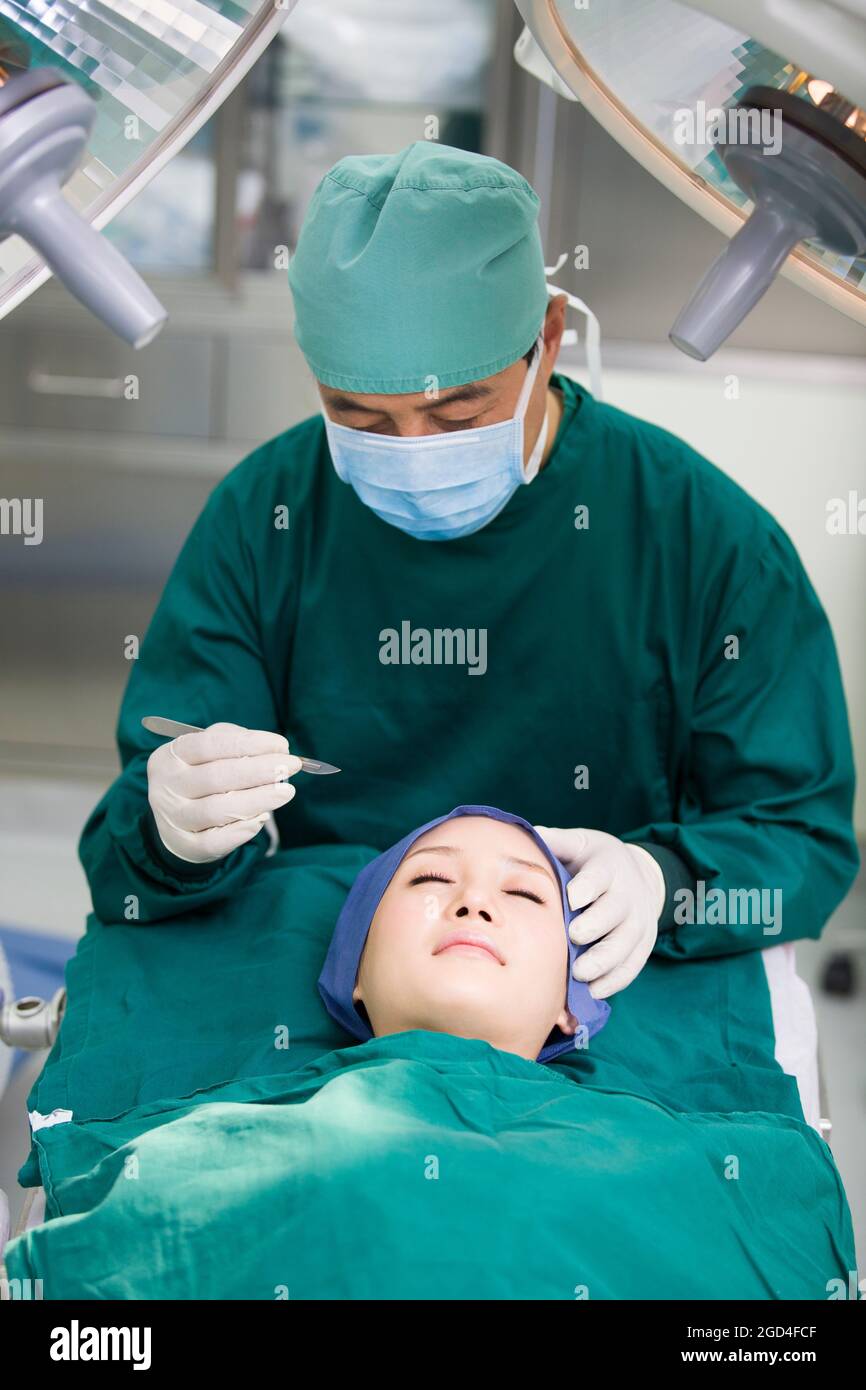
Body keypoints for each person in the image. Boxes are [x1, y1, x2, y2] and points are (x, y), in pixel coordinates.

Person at [81, 141, 858, 1000]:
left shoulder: (704, 540)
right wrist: (171, 837)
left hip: (610, 989)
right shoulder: (267, 515)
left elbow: (802, 841)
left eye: (458, 414)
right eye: (361, 416)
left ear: (548, 341)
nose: (412, 452)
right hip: (322, 976)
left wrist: (664, 886)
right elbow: (128, 866)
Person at [318, 805, 611, 1064]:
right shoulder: (279, 1110)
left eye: (524, 893)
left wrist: (656, 863)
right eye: (432, 877)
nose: (475, 901)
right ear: (354, 971)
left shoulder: (635, 1123)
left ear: (571, 1005)